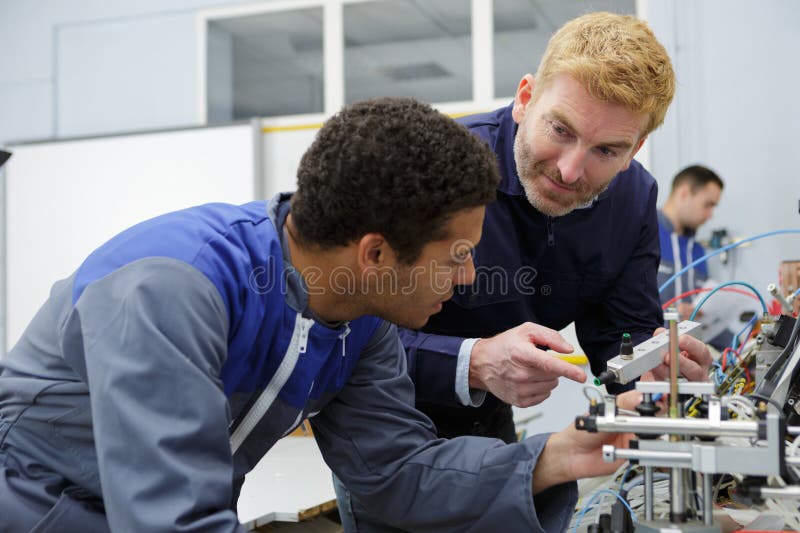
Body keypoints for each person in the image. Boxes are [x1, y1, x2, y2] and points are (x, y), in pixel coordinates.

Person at [0, 97, 636, 533]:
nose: (470, 276)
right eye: (459, 255)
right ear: (376, 253)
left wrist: (558, 455)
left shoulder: (359, 317)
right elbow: (169, 516)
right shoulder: (172, 289)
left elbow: (393, 470)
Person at [334, 12, 714, 532]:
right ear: (525, 97)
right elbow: (344, 331)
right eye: (560, 130)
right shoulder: (434, 169)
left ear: (636, 149)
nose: (570, 171)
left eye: (607, 150)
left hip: (494, 432)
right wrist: (471, 361)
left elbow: (618, 334)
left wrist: (646, 368)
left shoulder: (632, 200)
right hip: (390, 430)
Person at [657, 164, 724, 320]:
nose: (710, 215)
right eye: (708, 205)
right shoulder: (643, 234)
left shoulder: (697, 250)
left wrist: (743, 339)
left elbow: (701, 318)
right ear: (684, 194)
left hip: (690, 340)